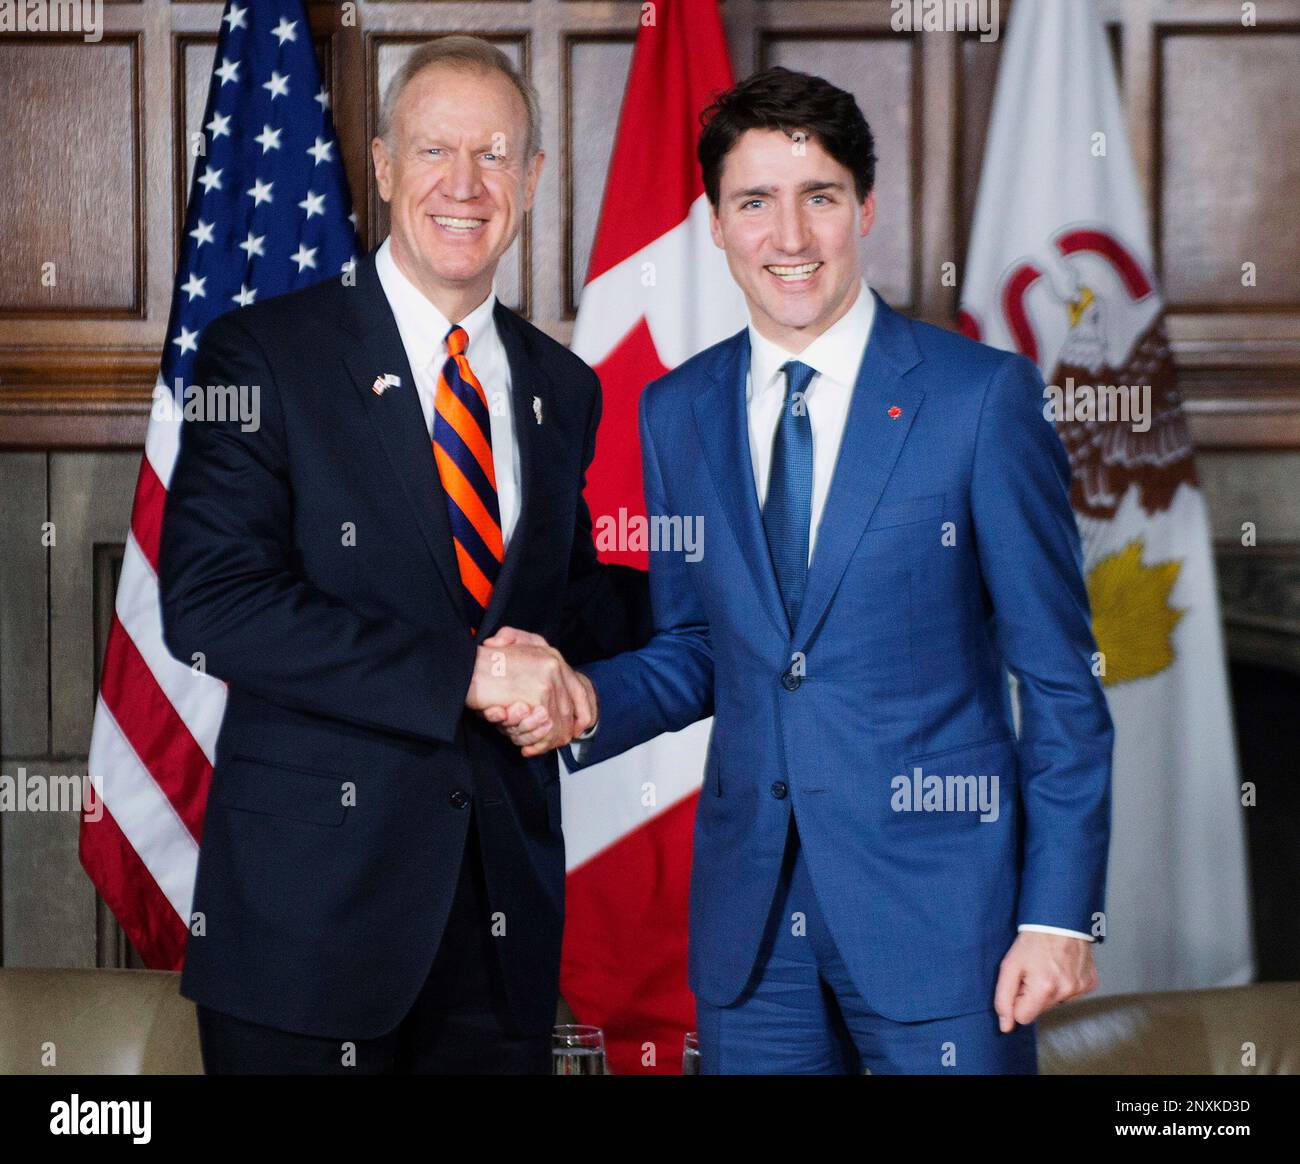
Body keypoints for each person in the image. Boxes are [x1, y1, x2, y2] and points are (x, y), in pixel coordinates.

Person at [492, 66, 1114, 1075]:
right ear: (715, 222)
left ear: (864, 207)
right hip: (751, 938)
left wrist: (1059, 914)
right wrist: (580, 701)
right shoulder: (676, 411)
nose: (789, 236)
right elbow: (701, 645)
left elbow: (1059, 682)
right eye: (755, 202)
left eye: (817, 197)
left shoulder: (980, 400)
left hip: (944, 927)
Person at [159, 35, 647, 1074]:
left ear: (533, 179)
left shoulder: (565, 387)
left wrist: (745, 580)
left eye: (493, 156)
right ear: (381, 168)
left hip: (500, 928)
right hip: (305, 932)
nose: (463, 186)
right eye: (434, 152)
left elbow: (567, 606)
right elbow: (212, 605)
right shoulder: (262, 354)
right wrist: (464, 675)